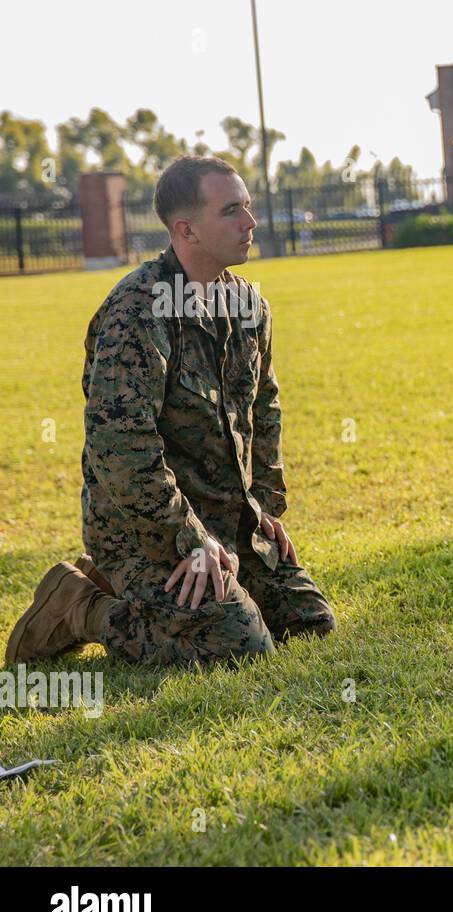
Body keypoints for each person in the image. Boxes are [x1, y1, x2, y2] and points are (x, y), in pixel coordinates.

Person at [6, 156, 335, 666]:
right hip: (145, 531)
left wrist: (264, 505)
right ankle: (80, 605)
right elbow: (120, 448)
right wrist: (188, 538)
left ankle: (176, 586)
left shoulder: (248, 305)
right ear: (187, 229)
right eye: (231, 211)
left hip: (228, 520)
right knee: (238, 647)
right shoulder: (138, 311)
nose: (250, 222)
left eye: (247, 207)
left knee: (310, 625)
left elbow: (264, 408)